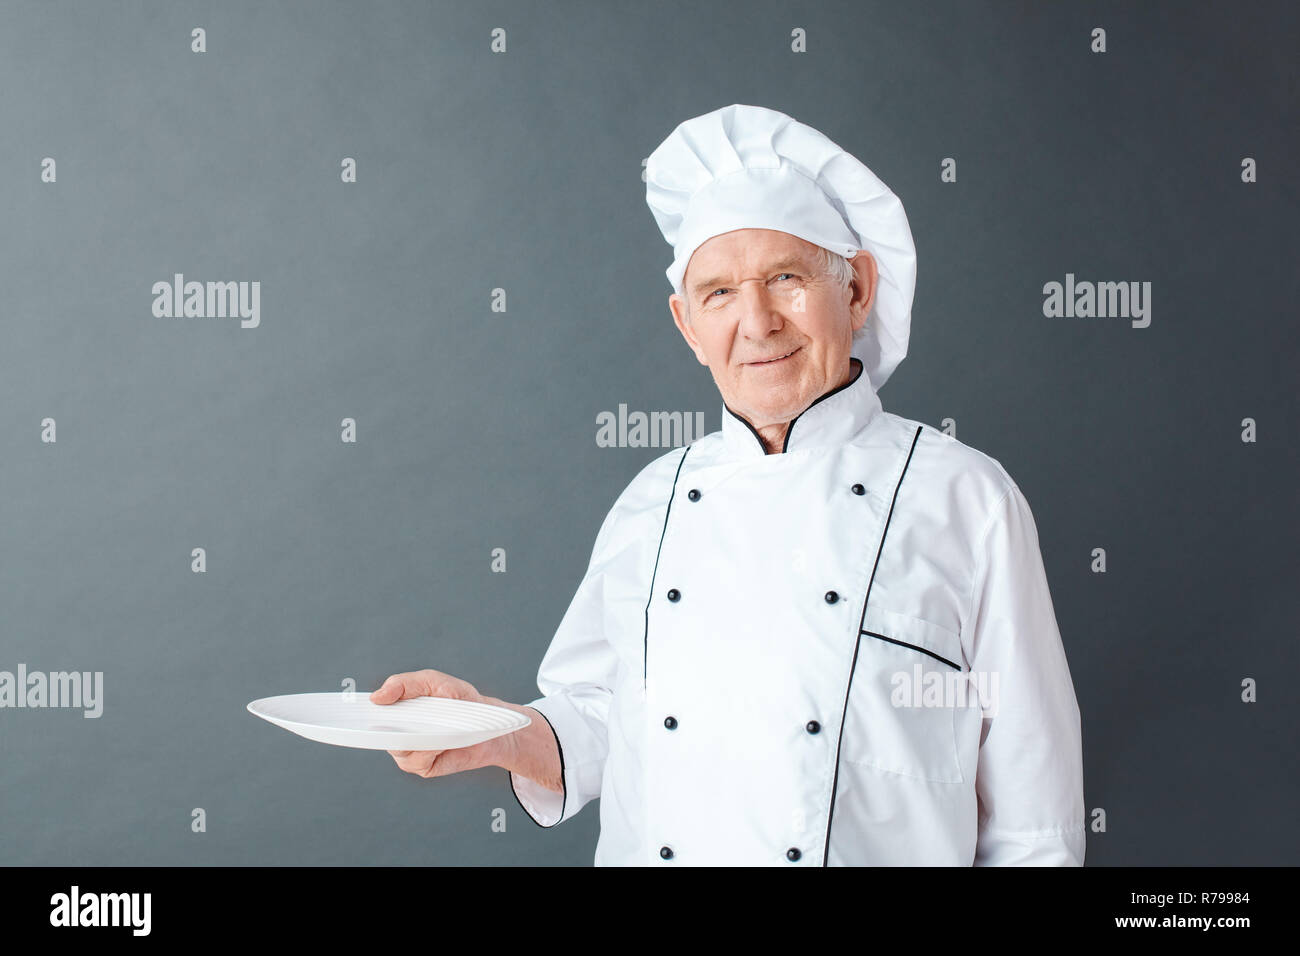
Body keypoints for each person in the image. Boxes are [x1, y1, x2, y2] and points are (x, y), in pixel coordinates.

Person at [372, 104, 1086, 866]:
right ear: (687, 324)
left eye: (787, 278)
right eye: (718, 294)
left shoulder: (966, 500)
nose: (757, 322)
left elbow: (1035, 823)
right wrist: (486, 729)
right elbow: (604, 724)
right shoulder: (652, 502)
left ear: (858, 289)